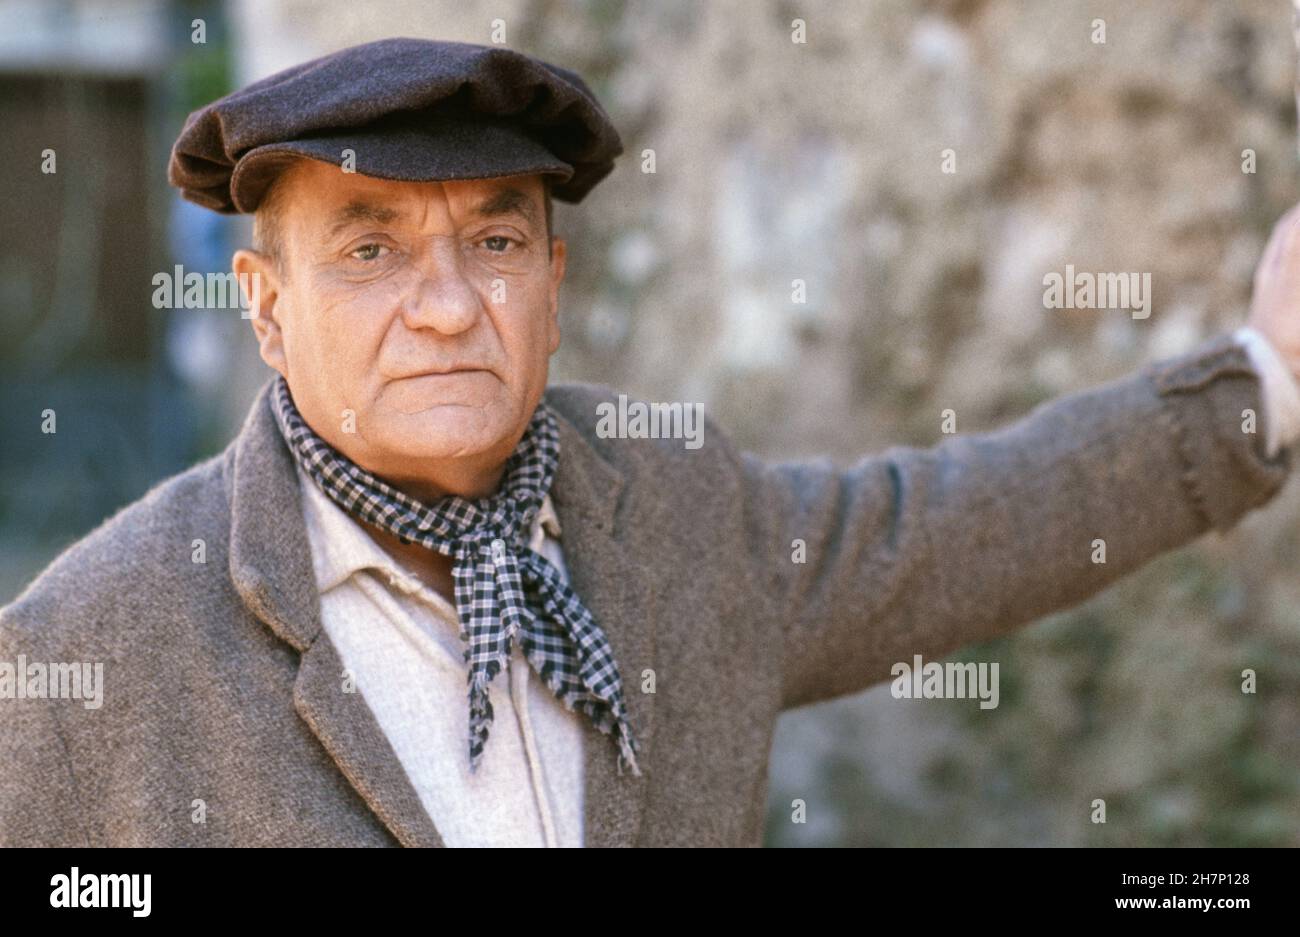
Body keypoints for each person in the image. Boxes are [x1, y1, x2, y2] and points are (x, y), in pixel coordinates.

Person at [2, 37, 1299, 848]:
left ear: (551, 289)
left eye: (495, 242)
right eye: (371, 248)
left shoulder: (680, 513)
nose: (449, 304)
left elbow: (963, 523)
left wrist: (1265, 381)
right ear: (268, 308)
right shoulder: (91, 652)